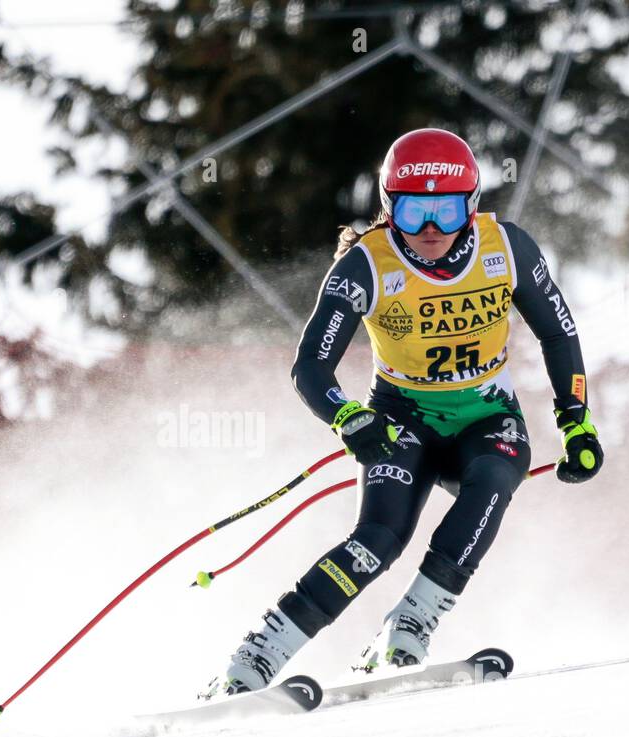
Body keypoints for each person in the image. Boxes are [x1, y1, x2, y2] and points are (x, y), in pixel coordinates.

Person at [211, 127, 603, 695]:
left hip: (486, 417)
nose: (430, 230)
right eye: (415, 211)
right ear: (389, 208)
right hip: (403, 421)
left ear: (470, 206)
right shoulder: (366, 266)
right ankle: (258, 655)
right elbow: (310, 370)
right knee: (378, 540)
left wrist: (576, 419)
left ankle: (409, 625)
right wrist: (349, 418)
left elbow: (559, 334)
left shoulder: (507, 248)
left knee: (498, 472)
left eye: (446, 212)